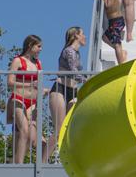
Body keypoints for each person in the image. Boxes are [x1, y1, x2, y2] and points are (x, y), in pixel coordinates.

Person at [6, 35, 51, 164]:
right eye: (39, 46)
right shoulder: (18, 61)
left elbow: (37, 86)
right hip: (18, 99)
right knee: (24, 130)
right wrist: (28, 85)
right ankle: (18, 165)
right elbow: (10, 82)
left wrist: (45, 91)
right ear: (30, 46)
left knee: (35, 138)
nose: (41, 49)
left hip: (33, 102)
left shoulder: (38, 63)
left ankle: (15, 160)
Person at [48, 27, 85, 159]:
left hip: (73, 90)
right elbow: (73, 71)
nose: (84, 37)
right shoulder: (69, 51)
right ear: (76, 36)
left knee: (70, 128)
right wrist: (88, 80)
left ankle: (66, 158)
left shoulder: (77, 53)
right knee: (59, 129)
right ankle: (42, 161)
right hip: (60, 89)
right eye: (82, 34)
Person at [100, 0, 127, 64]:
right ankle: (121, 52)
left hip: (116, 21)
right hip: (113, 21)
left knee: (117, 43)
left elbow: (109, 7)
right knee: (104, 37)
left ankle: (121, 62)